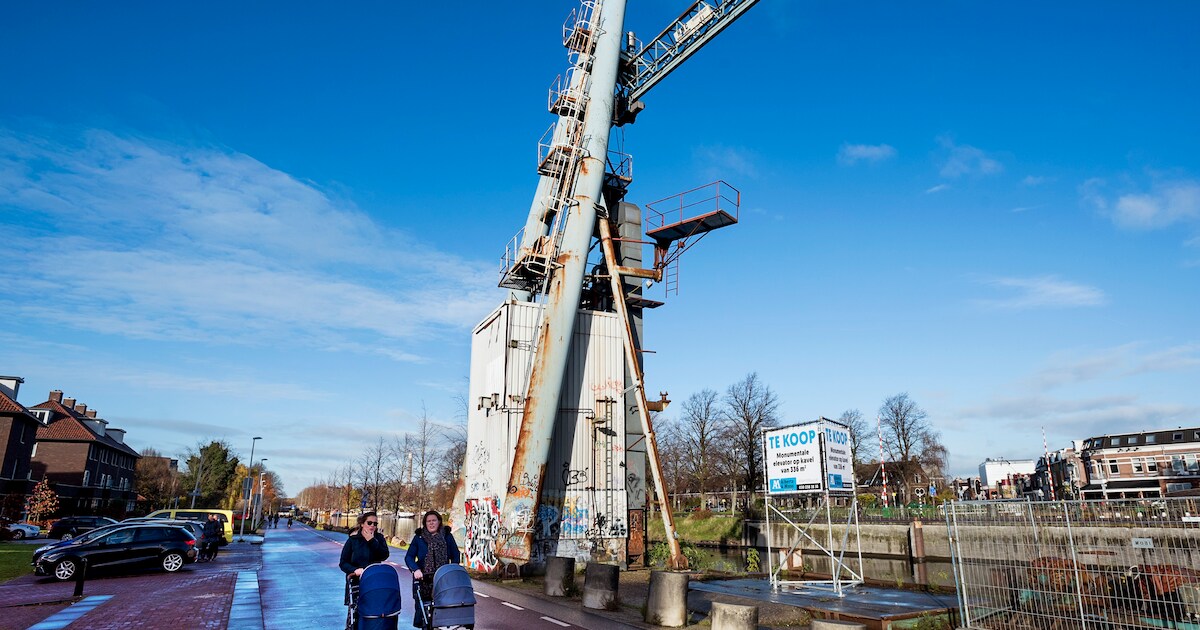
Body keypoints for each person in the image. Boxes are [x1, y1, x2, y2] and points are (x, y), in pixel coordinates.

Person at [405, 510, 461, 628]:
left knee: (443, 611)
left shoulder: (447, 536)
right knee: (424, 614)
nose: (431, 523)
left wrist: (451, 570)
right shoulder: (419, 538)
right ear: (425, 523)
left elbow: (455, 555)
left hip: (443, 579)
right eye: (428, 521)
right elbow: (409, 557)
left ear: (439, 521)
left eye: (434, 520)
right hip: (424, 578)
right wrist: (415, 570)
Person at [340, 512, 391, 628]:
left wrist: (372, 541)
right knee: (355, 614)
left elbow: (384, 555)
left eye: (375, 524)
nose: (372, 526)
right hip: (357, 581)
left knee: (374, 614)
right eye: (369, 523)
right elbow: (343, 563)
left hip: (374, 582)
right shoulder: (353, 540)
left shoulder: (379, 538)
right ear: (362, 524)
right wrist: (355, 570)